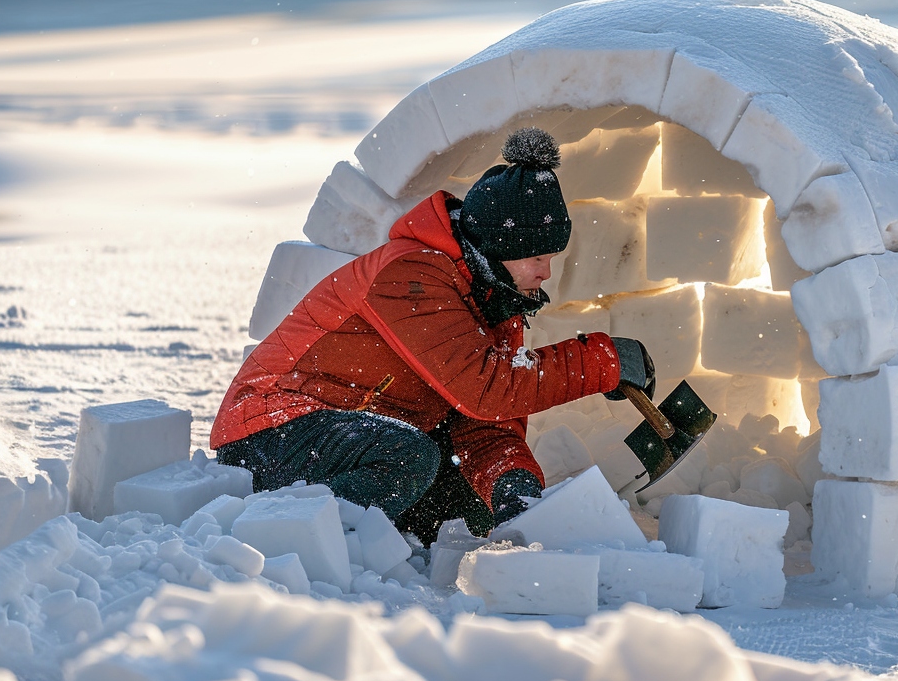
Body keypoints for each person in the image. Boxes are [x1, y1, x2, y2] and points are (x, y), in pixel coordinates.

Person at [209, 127, 655, 543]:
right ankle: (291, 537)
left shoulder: (496, 301)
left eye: (551, 256)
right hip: (274, 428)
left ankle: (363, 538)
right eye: (535, 257)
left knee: (476, 514)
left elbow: (484, 422)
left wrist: (514, 489)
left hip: (361, 435)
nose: (546, 271)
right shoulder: (411, 274)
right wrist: (602, 361)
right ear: (498, 249)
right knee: (409, 459)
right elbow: (488, 387)